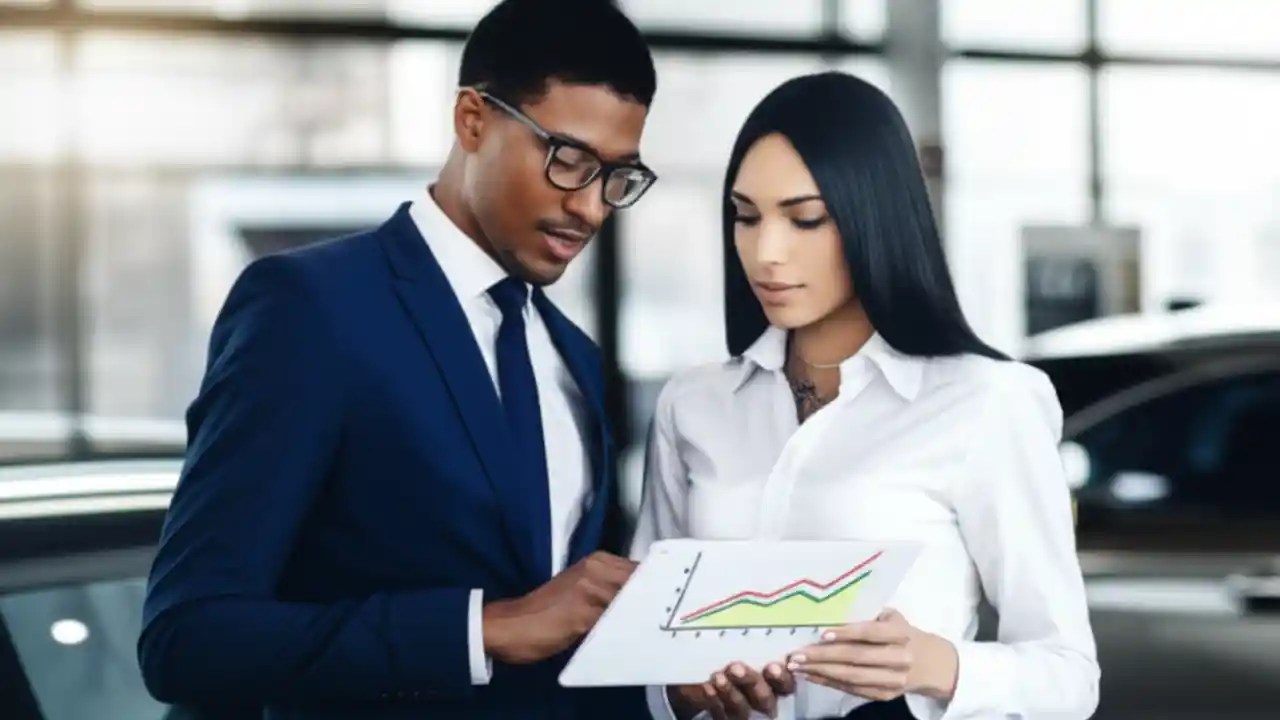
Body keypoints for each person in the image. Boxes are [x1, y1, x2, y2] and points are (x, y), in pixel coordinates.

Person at [138, 1, 658, 718]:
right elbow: (188, 639)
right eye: (569, 162)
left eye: (618, 178)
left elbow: (568, 655)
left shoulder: (579, 360)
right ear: (472, 119)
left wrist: (681, 697)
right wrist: (480, 630)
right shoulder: (310, 310)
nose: (592, 209)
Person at [630, 72, 1100, 720]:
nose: (766, 252)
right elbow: (643, 653)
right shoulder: (694, 405)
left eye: (805, 219)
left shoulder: (988, 401)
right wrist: (682, 694)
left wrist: (936, 666)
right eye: (746, 217)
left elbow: (1068, 676)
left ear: (872, 217)